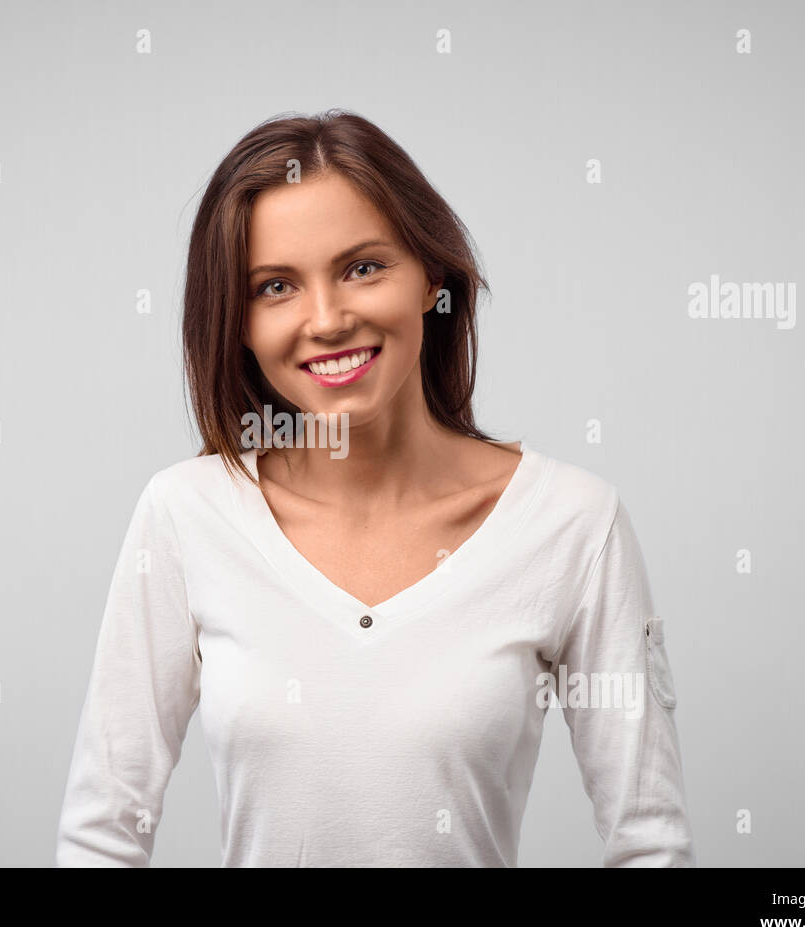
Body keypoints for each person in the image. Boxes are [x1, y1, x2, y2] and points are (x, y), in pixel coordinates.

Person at [55, 109, 695, 867]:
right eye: (275, 286)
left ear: (431, 277)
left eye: (363, 267)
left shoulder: (574, 525)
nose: (326, 319)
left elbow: (650, 841)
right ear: (238, 324)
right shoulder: (185, 515)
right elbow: (101, 835)